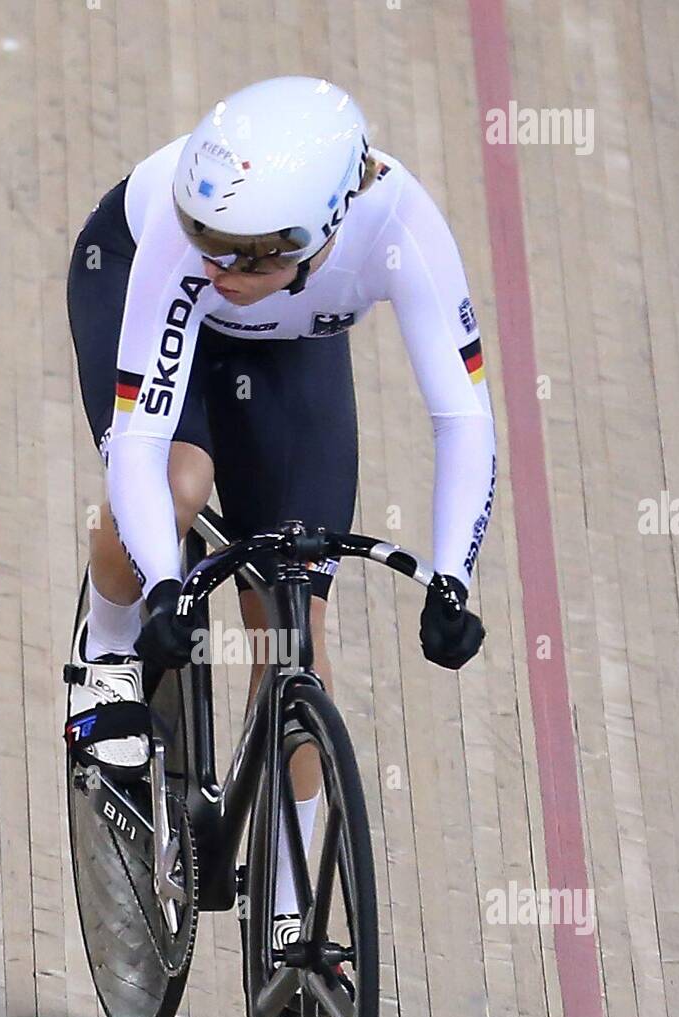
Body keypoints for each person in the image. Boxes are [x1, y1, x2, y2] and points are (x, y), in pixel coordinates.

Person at [66, 75, 495, 949]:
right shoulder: (179, 247)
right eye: (212, 245)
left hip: (294, 348)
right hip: (134, 289)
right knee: (179, 484)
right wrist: (160, 588)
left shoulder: (404, 231)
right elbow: (141, 444)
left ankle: (295, 904)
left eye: (252, 255)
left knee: (295, 632)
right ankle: (104, 654)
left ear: (334, 221)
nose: (223, 270)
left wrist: (453, 574)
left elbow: (462, 419)